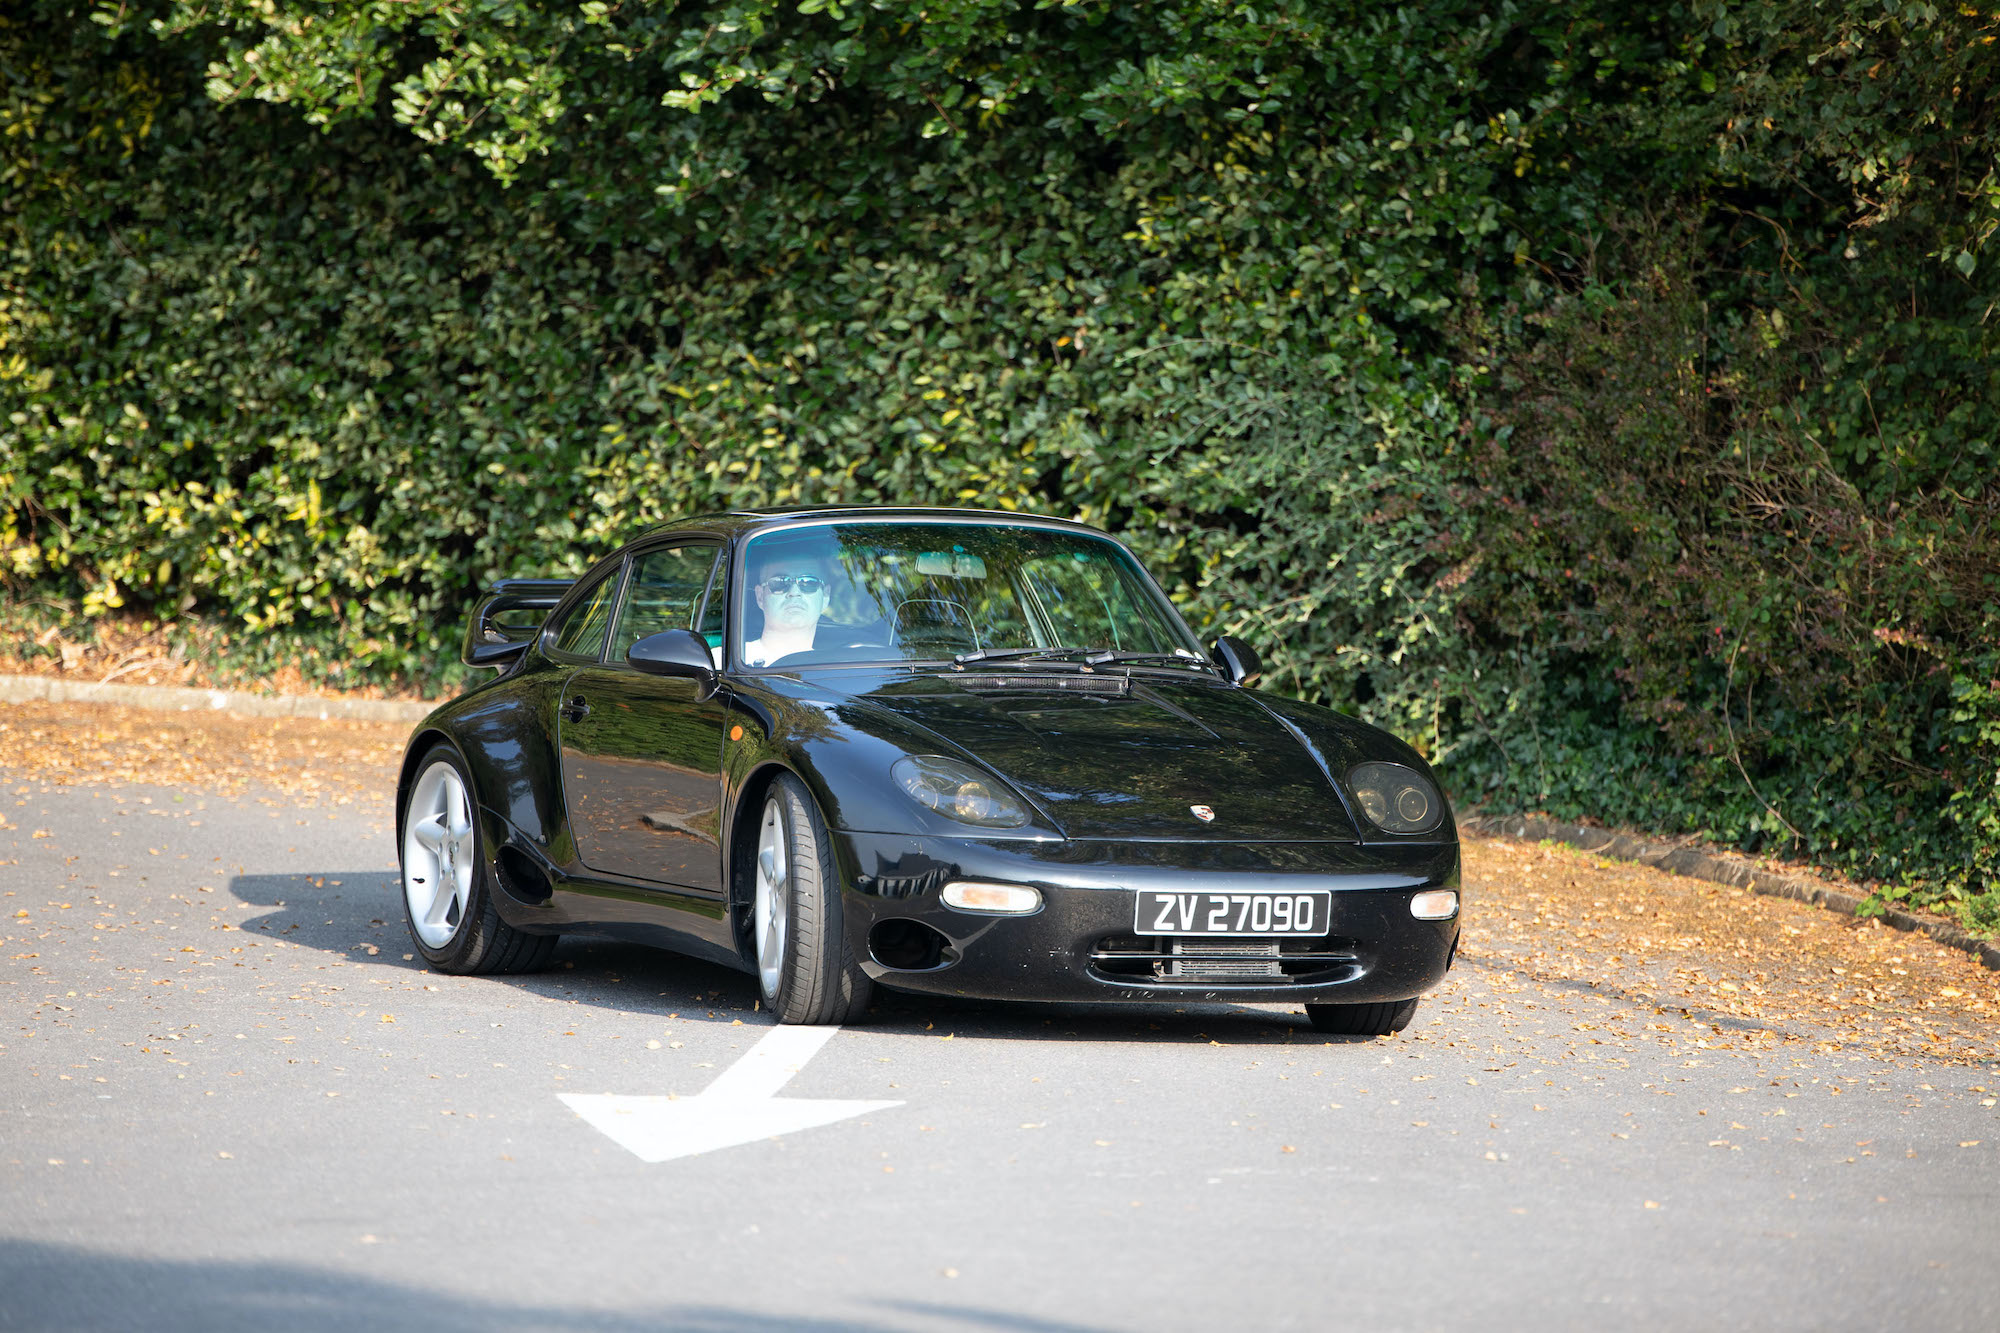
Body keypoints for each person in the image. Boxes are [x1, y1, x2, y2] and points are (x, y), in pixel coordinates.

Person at [741, 544, 832, 667]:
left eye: (808, 582)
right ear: (760, 596)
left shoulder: (843, 666)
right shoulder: (719, 662)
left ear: (825, 597)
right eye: (780, 582)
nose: (794, 593)